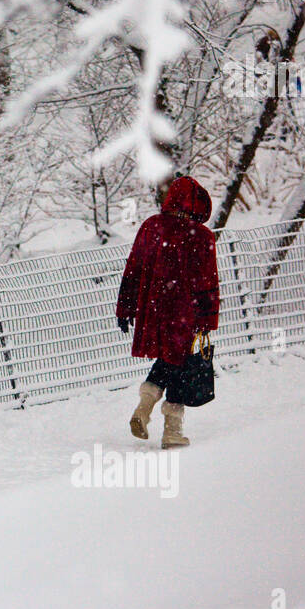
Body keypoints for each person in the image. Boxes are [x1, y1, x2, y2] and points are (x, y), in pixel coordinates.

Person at [115, 175, 220, 448]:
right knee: (180, 363)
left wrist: (125, 307)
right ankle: (170, 427)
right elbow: (207, 282)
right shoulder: (201, 235)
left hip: (152, 309)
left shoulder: (151, 227)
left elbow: (133, 268)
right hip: (185, 311)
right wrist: (207, 319)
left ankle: (147, 405)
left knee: (169, 360)